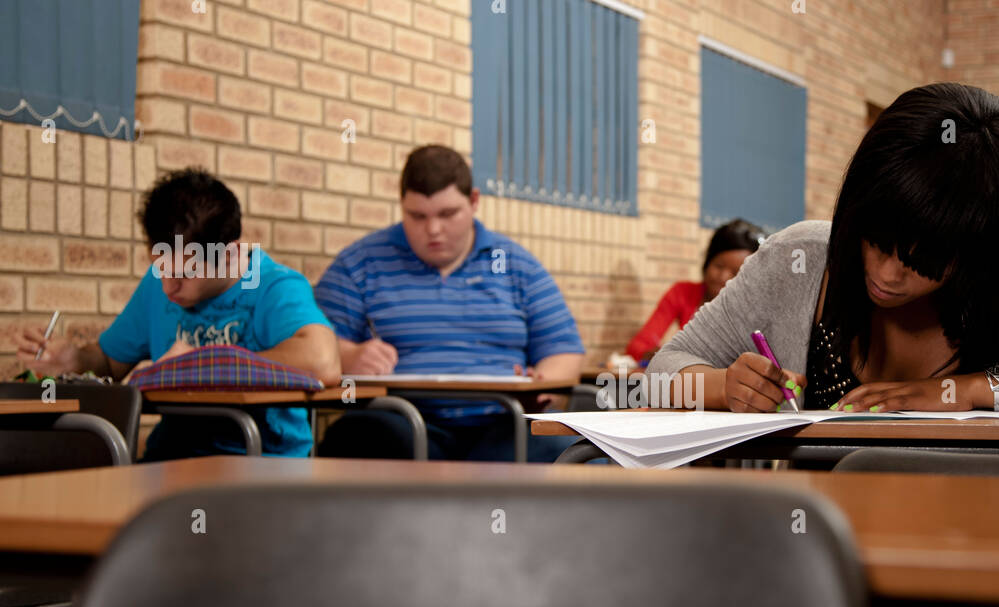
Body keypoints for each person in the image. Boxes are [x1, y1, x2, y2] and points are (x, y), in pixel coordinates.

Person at [647, 83, 999, 415]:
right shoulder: (802, 259)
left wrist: (970, 392)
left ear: (983, 252)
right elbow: (662, 372)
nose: (884, 273)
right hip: (826, 553)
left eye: (922, 260)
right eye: (873, 239)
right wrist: (723, 386)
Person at [16, 168, 340, 459]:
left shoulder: (274, 286)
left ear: (229, 255)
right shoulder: (159, 284)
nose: (169, 287)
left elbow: (323, 363)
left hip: (260, 460)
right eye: (160, 268)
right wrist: (76, 360)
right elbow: (110, 362)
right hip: (175, 455)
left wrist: (199, 364)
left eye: (185, 272)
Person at [314, 145, 584, 461]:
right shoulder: (360, 262)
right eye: (417, 216)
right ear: (401, 206)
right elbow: (315, 349)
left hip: (503, 422)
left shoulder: (515, 264)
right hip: (399, 419)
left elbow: (564, 351)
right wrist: (348, 356)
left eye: (447, 214)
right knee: (356, 438)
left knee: (569, 453)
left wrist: (543, 384)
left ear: (474, 202)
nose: (433, 230)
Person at [623, 219, 762, 364]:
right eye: (719, 266)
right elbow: (637, 347)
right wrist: (667, 356)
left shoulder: (754, 309)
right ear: (707, 262)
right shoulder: (683, 293)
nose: (723, 277)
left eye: (735, 272)